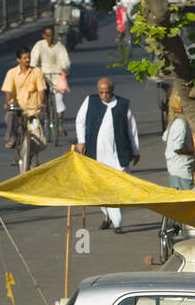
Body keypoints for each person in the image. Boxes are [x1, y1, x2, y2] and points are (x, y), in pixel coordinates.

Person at [74, 77, 141, 234]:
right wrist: (81, 141)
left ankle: (117, 222)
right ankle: (107, 217)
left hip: (118, 155)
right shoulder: (90, 101)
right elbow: (80, 121)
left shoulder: (123, 105)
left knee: (117, 188)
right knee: (99, 188)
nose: (104, 96)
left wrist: (136, 150)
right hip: (96, 154)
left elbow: (132, 129)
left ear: (113, 91)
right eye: (101, 92)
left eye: (107, 92)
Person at [162, 93, 195, 232]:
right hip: (181, 167)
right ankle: (181, 228)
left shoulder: (175, 122)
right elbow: (178, 149)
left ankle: (176, 226)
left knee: (177, 199)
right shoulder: (181, 123)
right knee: (185, 200)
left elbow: (165, 138)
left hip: (174, 166)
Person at [0, 48, 47, 151]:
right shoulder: (11, 73)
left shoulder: (36, 72)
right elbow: (8, 91)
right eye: (25, 58)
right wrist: (8, 103)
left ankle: (33, 161)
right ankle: (12, 138)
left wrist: (42, 103)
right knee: (9, 116)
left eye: (29, 57)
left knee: (39, 141)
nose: (27, 60)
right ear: (18, 60)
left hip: (32, 111)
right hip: (18, 109)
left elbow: (41, 89)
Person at [30, 24, 72, 136]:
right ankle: (42, 122)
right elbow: (34, 60)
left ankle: (60, 125)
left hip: (57, 76)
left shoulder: (59, 46)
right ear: (43, 35)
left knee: (59, 100)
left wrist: (65, 69)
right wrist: (34, 71)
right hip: (42, 76)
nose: (50, 38)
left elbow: (65, 61)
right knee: (40, 99)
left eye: (51, 35)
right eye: (47, 35)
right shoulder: (39, 45)